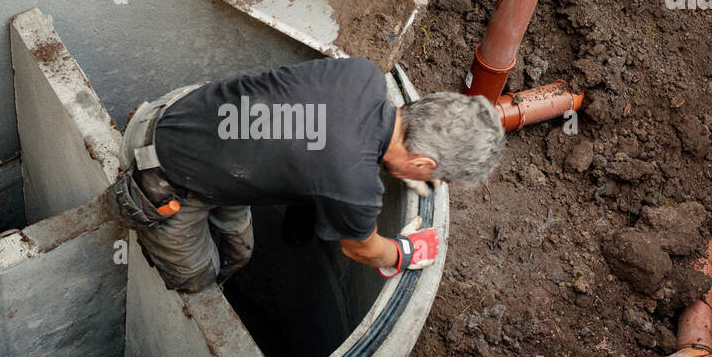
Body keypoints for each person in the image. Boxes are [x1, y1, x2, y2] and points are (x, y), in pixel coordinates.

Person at [118, 56, 505, 292]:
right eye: (440, 175)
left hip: (197, 117)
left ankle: (223, 279)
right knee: (196, 278)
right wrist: (403, 252)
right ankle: (187, 285)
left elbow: (330, 134)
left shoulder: (362, 75)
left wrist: (395, 162)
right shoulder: (355, 187)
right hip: (164, 175)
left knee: (238, 251)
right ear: (424, 165)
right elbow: (362, 248)